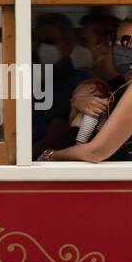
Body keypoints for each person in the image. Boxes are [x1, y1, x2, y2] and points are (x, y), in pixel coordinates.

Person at [40, 15, 132, 162]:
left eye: (126, 42)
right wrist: (78, 101)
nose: (117, 47)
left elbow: (95, 153)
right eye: (115, 40)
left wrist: (49, 156)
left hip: (128, 182)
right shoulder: (129, 87)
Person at [31, 12, 90, 157]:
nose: (42, 47)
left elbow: (54, 139)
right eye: (39, 41)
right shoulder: (34, 79)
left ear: (68, 44)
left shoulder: (79, 83)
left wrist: (16, 161)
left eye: (49, 41)